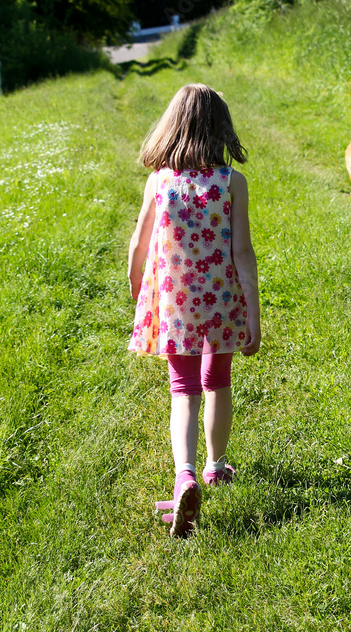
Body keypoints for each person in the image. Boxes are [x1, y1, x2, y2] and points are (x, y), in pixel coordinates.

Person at [127, 84, 261, 537]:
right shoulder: (231, 182)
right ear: (220, 128)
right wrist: (253, 316)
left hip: (175, 301)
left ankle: (184, 472)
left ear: (173, 126)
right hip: (222, 299)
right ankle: (216, 467)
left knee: (182, 387)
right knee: (217, 381)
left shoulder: (160, 181)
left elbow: (139, 244)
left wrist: (136, 291)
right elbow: (242, 251)